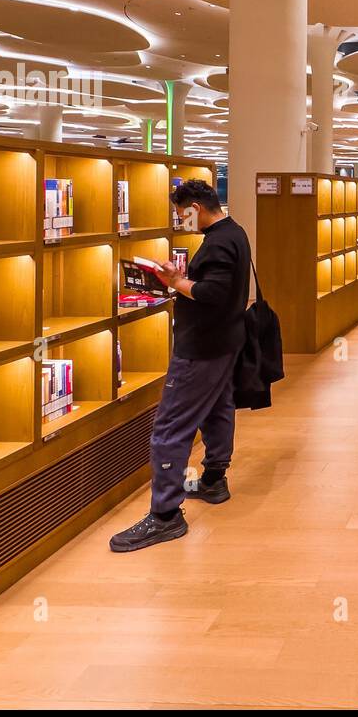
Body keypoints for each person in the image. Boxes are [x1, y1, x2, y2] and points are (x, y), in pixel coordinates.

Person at [109, 178, 250, 552]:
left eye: (181, 213)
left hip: (201, 347)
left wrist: (175, 282)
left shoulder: (218, 242)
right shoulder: (234, 232)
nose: (181, 220)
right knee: (219, 409)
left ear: (196, 209)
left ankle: (165, 515)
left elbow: (211, 293)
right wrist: (180, 279)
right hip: (225, 342)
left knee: (170, 427)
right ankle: (214, 479)